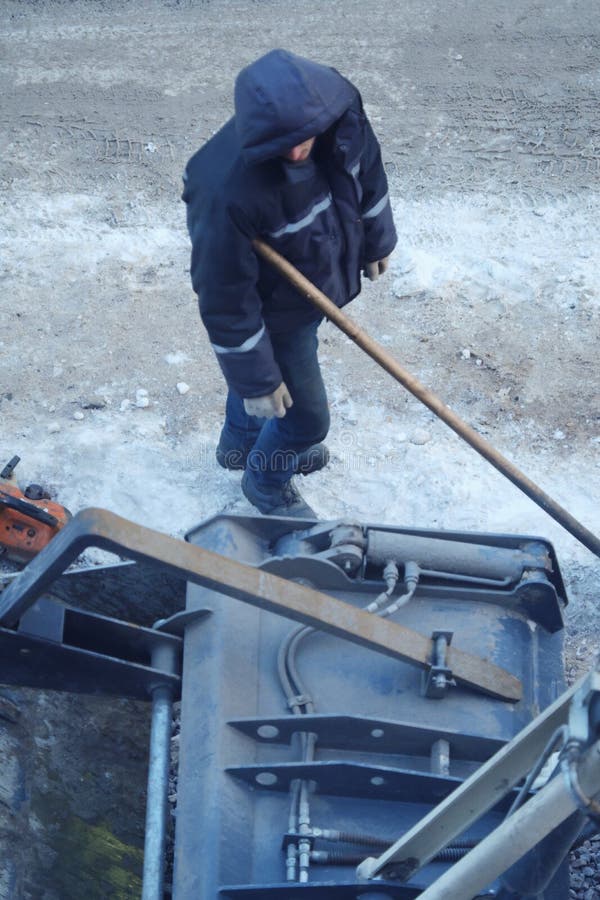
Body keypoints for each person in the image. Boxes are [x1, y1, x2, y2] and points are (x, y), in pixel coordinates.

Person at [182, 49, 396, 518]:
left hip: (309, 282)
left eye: (304, 138)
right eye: (283, 146)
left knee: (283, 388)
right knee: (305, 417)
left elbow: (367, 172)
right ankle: (266, 479)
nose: (298, 152)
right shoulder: (226, 192)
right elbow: (225, 298)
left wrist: (377, 237)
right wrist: (256, 380)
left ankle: (241, 448)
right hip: (273, 311)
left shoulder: (338, 113)